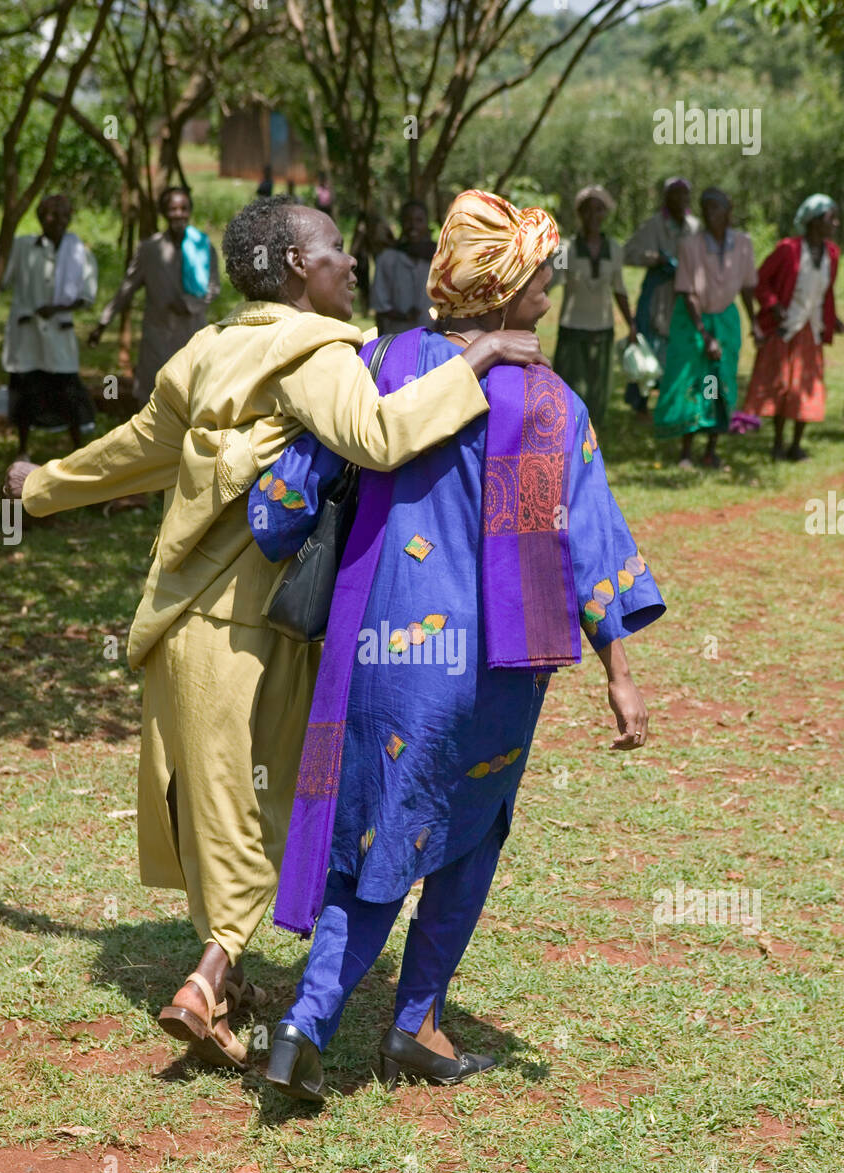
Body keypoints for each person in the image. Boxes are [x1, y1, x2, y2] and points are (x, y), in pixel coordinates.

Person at [4, 195, 545, 1071]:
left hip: (179, 622)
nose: (349, 262)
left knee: (217, 805)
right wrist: (478, 354)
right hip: (257, 631)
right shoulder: (315, 354)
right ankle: (211, 977)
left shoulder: (210, 350)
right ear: (299, 267)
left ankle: (225, 983)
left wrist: (38, 485)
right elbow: (379, 436)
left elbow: (135, 448)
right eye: (333, 249)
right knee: (273, 804)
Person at [259, 189, 665, 1102]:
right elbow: (586, 546)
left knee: (375, 841)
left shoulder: (380, 360)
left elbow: (285, 500)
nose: (550, 296)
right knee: (468, 836)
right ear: (500, 288)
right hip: (493, 667)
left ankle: (302, 1029)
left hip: (379, 651)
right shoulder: (546, 402)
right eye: (539, 279)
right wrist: (622, 676)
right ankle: (410, 1027)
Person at [654, 188, 758, 469]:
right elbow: (687, 291)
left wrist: (755, 322)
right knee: (693, 382)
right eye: (705, 208)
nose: (710, 213)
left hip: (726, 321)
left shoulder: (744, 244)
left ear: (728, 210)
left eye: (716, 207)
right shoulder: (690, 245)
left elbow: (748, 287)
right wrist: (704, 334)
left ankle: (711, 449)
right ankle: (686, 451)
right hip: (693, 321)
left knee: (719, 384)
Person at [88, 187, 220, 408]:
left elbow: (213, 288)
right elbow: (126, 289)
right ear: (164, 213)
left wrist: (189, 304)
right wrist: (103, 323)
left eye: (183, 208)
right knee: (153, 399)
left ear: (189, 211)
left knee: (194, 397)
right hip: (158, 338)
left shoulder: (203, 246)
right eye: (173, 209)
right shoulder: (151, 249)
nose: (178, 214)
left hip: (193, 333)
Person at [744, 195, 841, 460]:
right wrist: (773, 305)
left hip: (811, 329)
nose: (836, 223)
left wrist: (834, 320)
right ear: (814, 220)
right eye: (831, 218)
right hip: (785, 327)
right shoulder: (788, 249)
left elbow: (826, 292)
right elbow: (759, 282)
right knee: (781, 384)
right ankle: (777, 443)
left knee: (806, 386)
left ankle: (795, 445)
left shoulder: (832, 253)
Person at [2, 194, 97, 463]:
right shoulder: (22, 247)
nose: (57, 221)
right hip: (27, 335)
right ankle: (23, 448)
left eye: (64, 216)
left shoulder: (79, 253)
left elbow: (86, 295)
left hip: (59, 334)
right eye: (50, 215)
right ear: (41, 218)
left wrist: (56, 308)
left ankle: (77, 447)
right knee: (25, 391)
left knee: (67, 390)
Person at [552, 185, 636, 429]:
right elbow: (549, 282)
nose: (593, 216)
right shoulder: (564, 248)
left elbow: (619, 289)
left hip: (602, 328)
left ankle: (592, 435)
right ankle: (568, 432)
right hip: (573, 327)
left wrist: (631, 323)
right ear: (580, 214)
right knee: (570, 387)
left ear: (605, 214)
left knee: (599, 389)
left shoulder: (615, 249)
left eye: (598, 210)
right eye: (587, 210)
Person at [622, 177, 701, 414]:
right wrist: (655, 258)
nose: (680, 199)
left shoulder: (694, 227)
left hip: (685, 293)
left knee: (679, 343)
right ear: (666, 198)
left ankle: (673, 401)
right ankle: (641, 404)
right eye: (675, 194)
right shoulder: (655, 225)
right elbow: (628, 253)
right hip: (658, 292)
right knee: (651, 342)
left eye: (684, 194)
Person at [371, 200, 436, 334]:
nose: (413, 226)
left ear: (427, 223)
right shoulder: (388, 259)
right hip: (395, 337)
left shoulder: (437, 258)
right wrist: (404, 316)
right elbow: (380, 307)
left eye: (419, 220)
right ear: (401, 223)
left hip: (432, 337)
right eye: (408, 220)